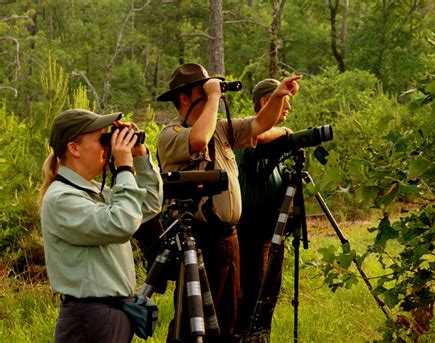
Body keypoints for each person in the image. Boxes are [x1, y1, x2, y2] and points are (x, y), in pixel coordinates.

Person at [156, 63, 300, 342]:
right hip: (198, 239)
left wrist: (279, 95)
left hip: (228, 238)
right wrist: (213, 97)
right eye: (204, 89)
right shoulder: (170, 135)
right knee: (191, 321)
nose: (215, 93)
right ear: (184, 98)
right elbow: (198, 140)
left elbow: (260, 124)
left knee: (227, 319)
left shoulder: (220, 129)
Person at [39, 109, 163, 343]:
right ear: (74, 148)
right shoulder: (62, 198)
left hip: (108, 315)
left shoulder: (94, 191)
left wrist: (139, 156)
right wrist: (125, 168)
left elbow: (147, 207)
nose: (109, 146)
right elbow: (121, 224)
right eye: (102, 139)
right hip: (90, 318)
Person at [234, 79, 294, 341]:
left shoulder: (269, 139)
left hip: (270, 231)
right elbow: (258, 134)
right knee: (253, 292)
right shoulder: (246, 132)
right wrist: (284, 132)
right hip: (250, 231)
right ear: (265, 102)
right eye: (284, 99)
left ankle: (260, 335)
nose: (288, 106)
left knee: (269, 291)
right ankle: (246, 335)